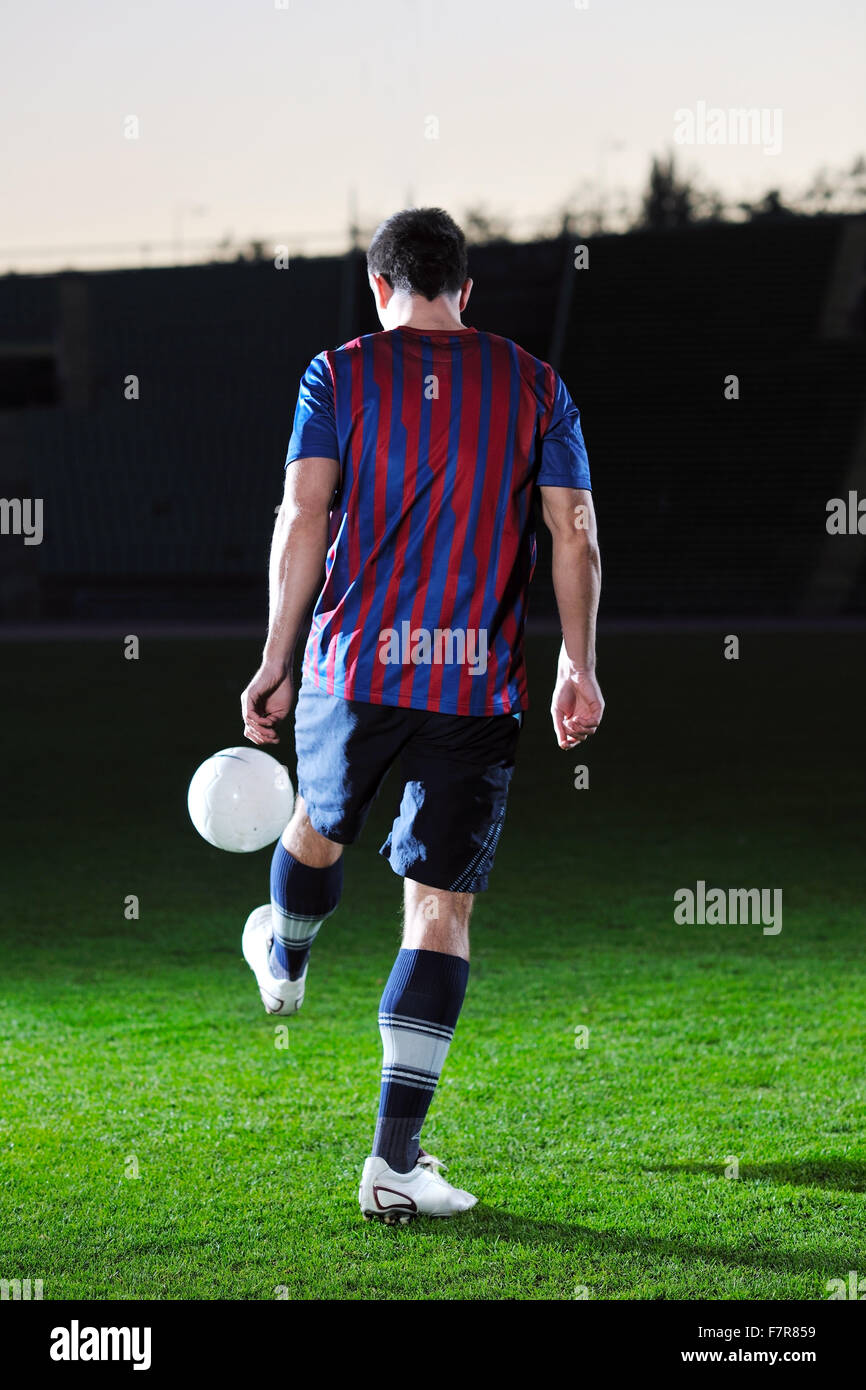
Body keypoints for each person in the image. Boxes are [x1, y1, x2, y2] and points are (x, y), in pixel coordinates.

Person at [240, 207, 604, 1223]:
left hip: (352, 669)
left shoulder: (337, 371)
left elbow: (302, 516)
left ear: (377, 285)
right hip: (473, 684)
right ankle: (393, 1163)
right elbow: (571, 535)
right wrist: (580, 661)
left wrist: (274, 659)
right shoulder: (534, 382)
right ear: (465, 289)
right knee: (439, 908)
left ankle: (287, 955)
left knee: (316, 824)